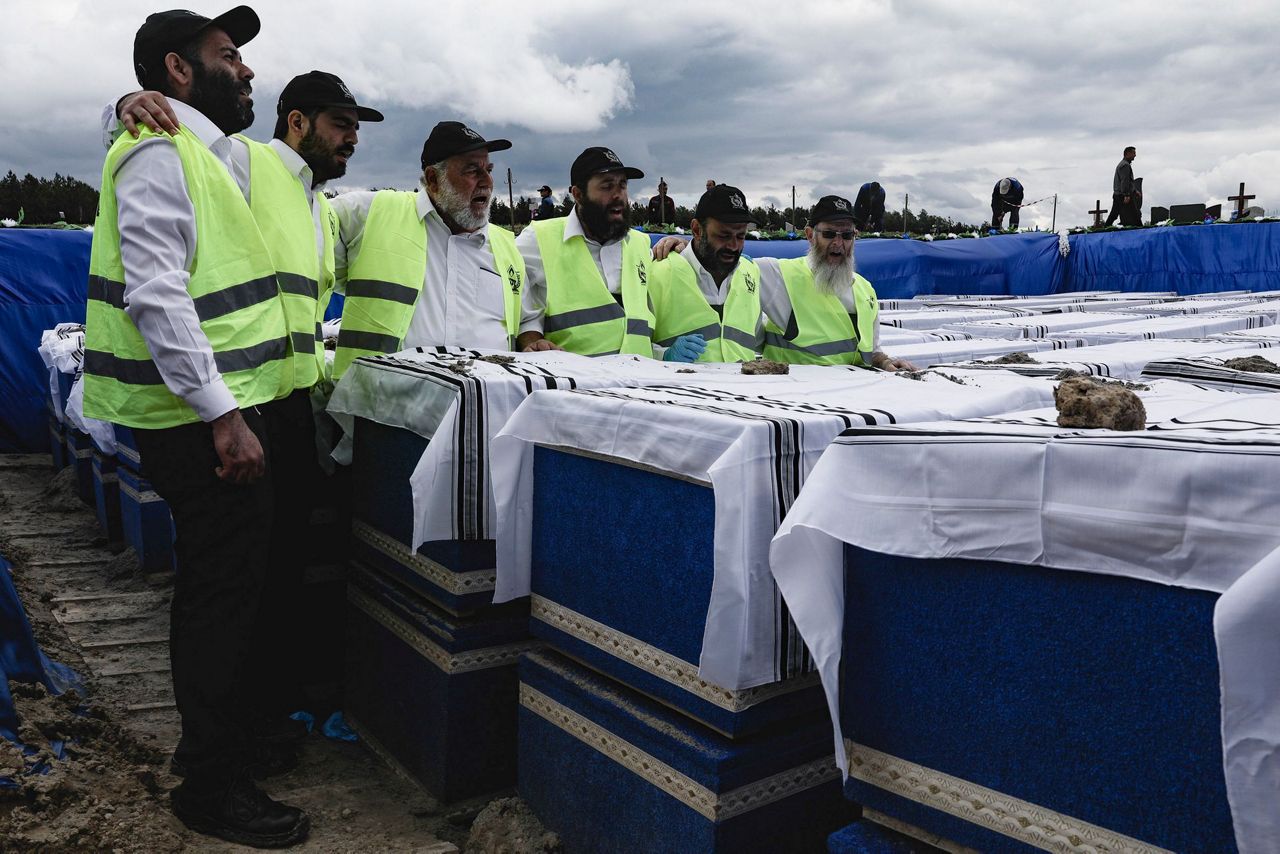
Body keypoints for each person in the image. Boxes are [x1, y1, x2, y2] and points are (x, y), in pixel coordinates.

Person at [81, 6, 310, 846]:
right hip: (196, 420)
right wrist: (223, 417)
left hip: (232, 409)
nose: (248, 70)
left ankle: (233, 744)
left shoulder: (218, 153)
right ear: (178, 72)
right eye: (228, 56)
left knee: (240, 591)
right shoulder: (156, 151)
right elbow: (158, 295)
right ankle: (209, 785)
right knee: (219, 599)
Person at [110, 68, 384, 755]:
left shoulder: (321, 205)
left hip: (291, 404)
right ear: (296, 123)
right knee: (236, 587)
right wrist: (122, 103)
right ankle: (215, 750)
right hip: (239, 406)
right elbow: (164, 139)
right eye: (340, 124)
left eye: (356, 128)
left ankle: (261, 719)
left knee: (279, 573)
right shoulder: (249, 161)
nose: (351, 139)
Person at [330, 121, 527, 376]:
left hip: (482, 407)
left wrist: (531, 338)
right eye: (472, 171)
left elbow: (525, 321)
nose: (487, 182)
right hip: (381, 405)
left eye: (488, 170)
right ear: (434, 179)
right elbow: (300, 245)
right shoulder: (368, 215)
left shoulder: (507, 246)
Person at [514, 147, 657, 357]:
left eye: (623, 185)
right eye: (607, 186)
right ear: (578, 194)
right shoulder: (538, 239)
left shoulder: (640, 244)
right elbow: (516, 307)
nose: (619, 195)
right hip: (574, 384)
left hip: (640, 383)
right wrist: (531, 340)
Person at [757, 195, 915, 370]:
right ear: (810, 235)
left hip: (847, 393)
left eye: (847, 235)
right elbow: (734, 264)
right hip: (792, 393)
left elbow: (871, 350)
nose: (838, 243)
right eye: (829, 234)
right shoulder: (780, 276)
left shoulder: (865, 290)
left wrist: (885, 362)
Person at [649, 184, 762, 362]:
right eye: (724, 236)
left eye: (740, 236)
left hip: (742, 388)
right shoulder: (658, 274)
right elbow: (632, 344)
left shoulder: (750, 274)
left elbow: (757, 340)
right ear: (696, 230)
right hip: (679, 389)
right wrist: (663, 355)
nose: (733, 246)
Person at [1104, 146, 1141, 227]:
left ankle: (1106, 227)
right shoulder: (1125, 165)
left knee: (1115, 213)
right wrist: (1127, 195)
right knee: (1135, 214)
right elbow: (1125, 181)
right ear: (1128, 154)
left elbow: (1128, 182)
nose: (1135, 155)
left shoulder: (1124, 164)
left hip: (1119, 194)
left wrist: (1135, 191)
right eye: (1133, 153)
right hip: (1122, 195)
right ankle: (1141, 230)